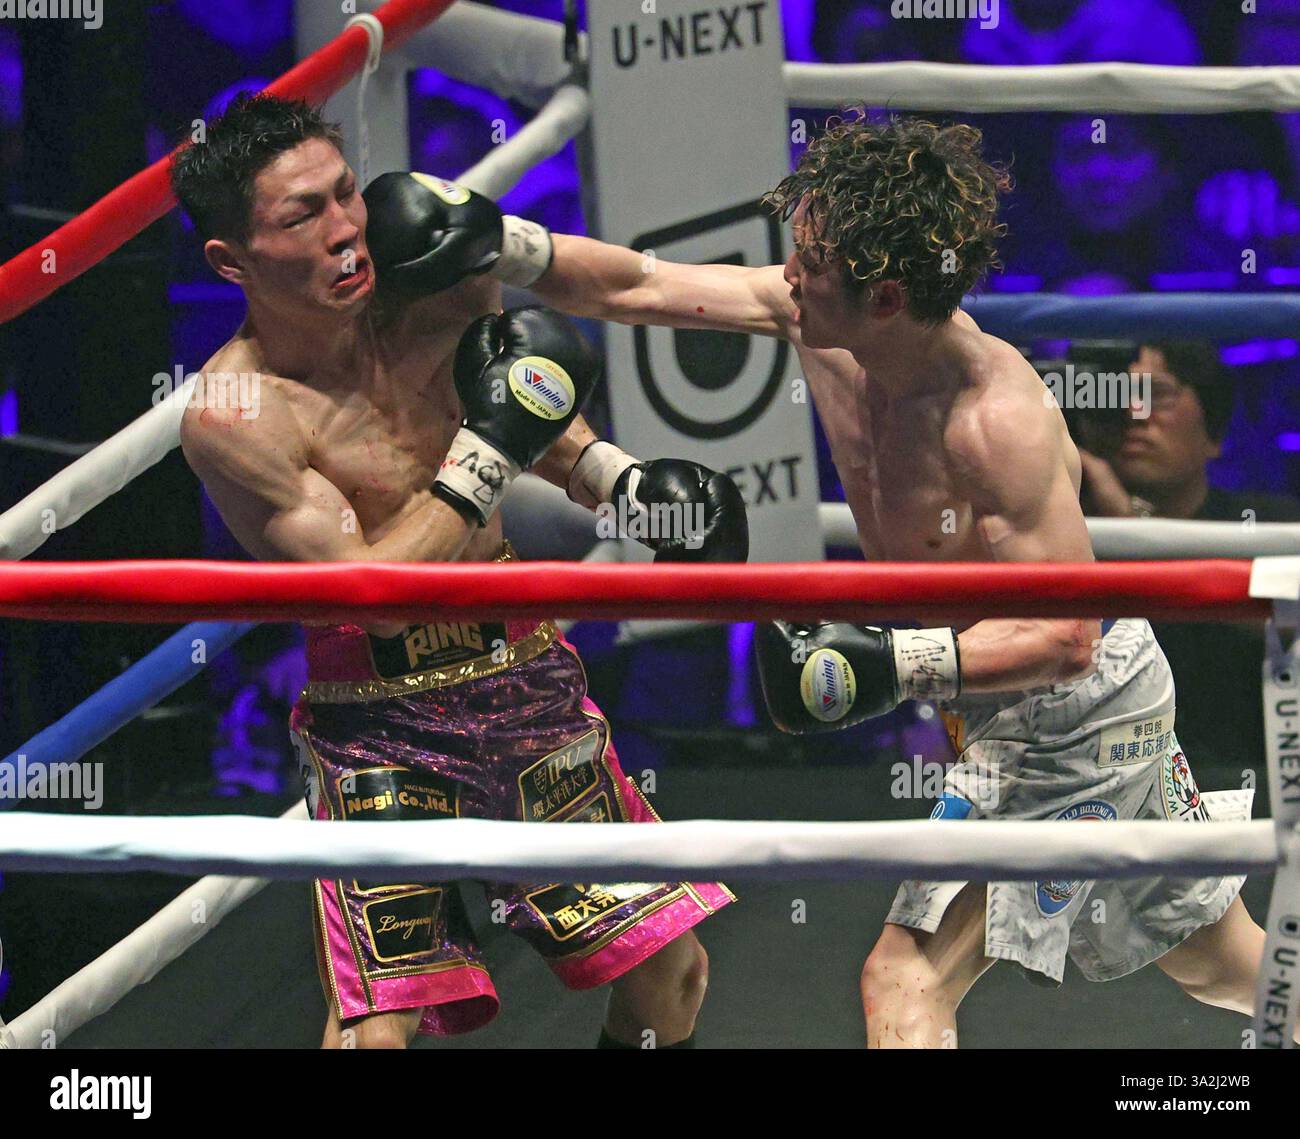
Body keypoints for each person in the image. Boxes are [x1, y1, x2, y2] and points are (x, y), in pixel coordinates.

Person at [386, 110, 1279, 1046]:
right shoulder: (819, 318)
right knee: (1220, 960)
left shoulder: (992, 421)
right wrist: (509, 242)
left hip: (1069, 714)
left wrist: (888, 664)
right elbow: (642, 283)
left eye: (810, 263)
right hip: (1032, 696)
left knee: (905, 979)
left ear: (886, 296)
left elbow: (1067, 637)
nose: (786, 275)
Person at [171, 94, 747, 1049]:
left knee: (671, 972)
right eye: (299, 216)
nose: (345, 232)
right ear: (233, 262)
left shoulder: (433, 283)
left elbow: (519, 400)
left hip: (526, 679)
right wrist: (490, 451)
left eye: (345, 193)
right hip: (377, 720)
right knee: (378, 1027)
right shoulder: (238, 415)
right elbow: (377, 598)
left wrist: (619, 481)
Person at [1078, 341, 1300, 809]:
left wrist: (1129, 524)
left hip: (1248, 793)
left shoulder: (1270, 527)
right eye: (1120, 392)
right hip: (1089, 800)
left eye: (1156, 393)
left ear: (1214, 432)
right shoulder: (1057, 533)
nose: (1135, 412)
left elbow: (1286, 630)